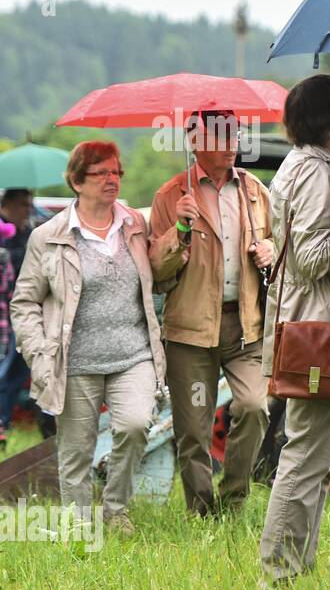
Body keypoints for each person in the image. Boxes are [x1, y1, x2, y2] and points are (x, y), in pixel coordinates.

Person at [10, 142, 167, 533]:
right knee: (76, 450)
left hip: (133, 354)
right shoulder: (48, 236)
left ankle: (116, 510)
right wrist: (40, 354)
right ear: (77, 181)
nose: (112, 180)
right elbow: (24, 302)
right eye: (102, 173)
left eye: (116, 172)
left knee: (134, 426)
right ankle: (79, 528)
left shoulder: (135, 225)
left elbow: (160, 275)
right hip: (74, 360)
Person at [259, 74, 330, 582]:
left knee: (313, 456)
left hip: (313, 325)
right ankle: (279, 573)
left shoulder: (315, 165)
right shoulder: (316, 172)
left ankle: (294, 569)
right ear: (329, 119)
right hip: (318, 330)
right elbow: (311, 255)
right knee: (304, 456)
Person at [149, 110, 275, 517]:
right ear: (195, 142)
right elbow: (155, 271)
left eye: (234, 135)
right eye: (220, 136)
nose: (232, 144)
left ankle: (234, 499)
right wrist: (179, 233)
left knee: (255, 406)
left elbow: (278, 244)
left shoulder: (255, 190)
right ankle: (202, 513)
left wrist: (271, 251)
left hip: (245, 325)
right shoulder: (170, 196)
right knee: (193, 430)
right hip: (190, 330)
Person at [0, 188, 36, 434]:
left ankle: (6, 422)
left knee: (18, 373)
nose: (27, 210)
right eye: (23, 204)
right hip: (4, 318)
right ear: (8, 204)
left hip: (23, 316)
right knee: (3, 372)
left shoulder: (29, 232)